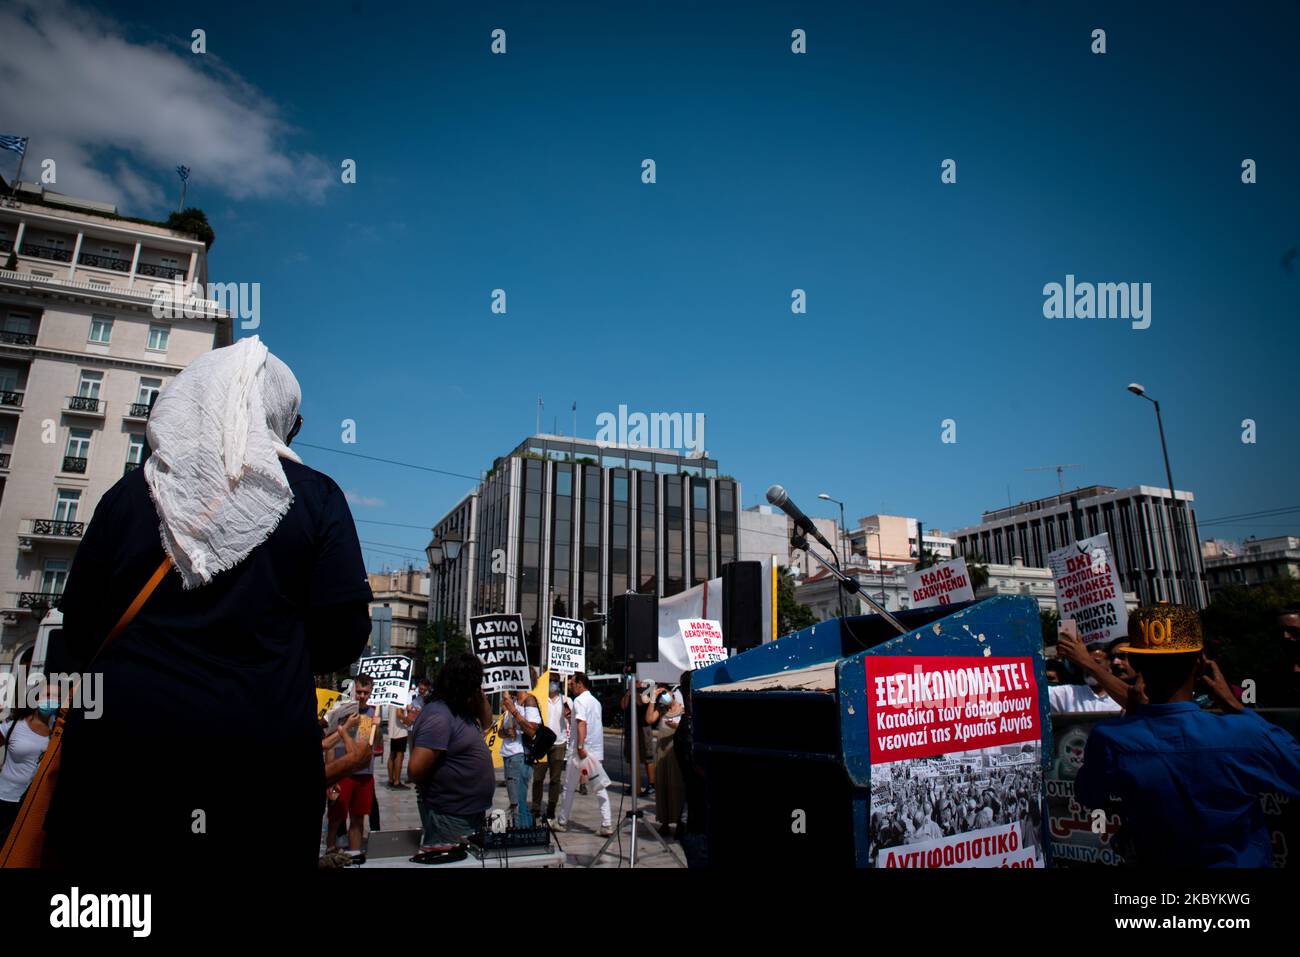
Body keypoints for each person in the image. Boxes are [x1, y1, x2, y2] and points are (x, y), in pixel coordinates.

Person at [46, 337, 372, 869]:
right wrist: (272, 652)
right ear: (278, 416)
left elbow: (79, 628)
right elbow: (342, 632)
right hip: (255, 772)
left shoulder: (126, 497)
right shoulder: (314, 498)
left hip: (116, 766)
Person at [1077, 604, 1300, 867]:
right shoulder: (1245, 732)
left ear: (1135, 662)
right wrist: (1236, 707)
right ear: (1200, 663)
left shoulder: (1110, 738)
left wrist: (1136, 716)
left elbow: (1089, 795)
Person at [408, 653, 496, 845]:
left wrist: (480, 700)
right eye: (476, 686)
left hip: (468, 811)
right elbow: (415, 770)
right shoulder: (439, 716)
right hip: (449, 815)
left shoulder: (459, 711)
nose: (479, 691)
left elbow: (488, 722)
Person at [554, 672, 612, 837]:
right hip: (595, 750)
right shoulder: (595, 702)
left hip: (581, 751)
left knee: (569, 786)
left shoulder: (579, 701)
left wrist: (580, 746)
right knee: (599, 786)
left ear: (580, 684)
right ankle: (607, 823)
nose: (571, 686)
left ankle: (562, 821)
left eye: (572, 683)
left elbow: (582, 724)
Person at [328, 675, 378, 863]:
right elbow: (330, 745)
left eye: (365, 692)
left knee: (358, 819)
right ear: (353, 691)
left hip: (364, 775)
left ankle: (354, 855)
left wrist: (377, 732)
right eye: (358, 692)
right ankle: (330, 854)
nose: (362, 696)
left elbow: (369, 747)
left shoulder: (373, 714)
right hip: (342, 773)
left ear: (371, 692)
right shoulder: (341, 712)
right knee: (336, 819)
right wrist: (330, 774)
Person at [0, 703, 55, 845]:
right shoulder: (15, 724)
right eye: (47, 694)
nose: (52, 700)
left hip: (33, 803)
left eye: (57, 696)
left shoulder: (58, 730)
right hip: (4, 797)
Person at [1049, 621, 1124, 714]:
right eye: (1084, 662)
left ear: (1110, 664)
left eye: (1096, 662)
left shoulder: (1123, 697)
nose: (1088, 667)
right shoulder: (1068, 694)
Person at [530, 676, 571, 823]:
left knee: (555, 779)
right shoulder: (540, 699)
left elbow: (572, 720)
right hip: (543, 742)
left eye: (555, 681)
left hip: (558, 743)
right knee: (538, 778)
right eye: (550, 680)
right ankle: (535, 808)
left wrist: (569, 714)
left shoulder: (565, 700)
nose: (553, 684)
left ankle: (551, 809)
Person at [500, 687, 542, 828]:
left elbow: (532, 730)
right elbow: (501, 731)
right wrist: (506, 732)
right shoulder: (512, 701)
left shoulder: (529, 701)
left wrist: (514, 711)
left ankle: (522, 835)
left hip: (519, 756)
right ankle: (526, 833)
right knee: (517, 801)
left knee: (517, 802)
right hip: (508, 755)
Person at [650, 679, 686, 838]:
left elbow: (687, 728)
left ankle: (679, 822)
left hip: (675, 751)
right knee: (663, 786)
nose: (663, 697)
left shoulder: (683, 709)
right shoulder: (661, 709)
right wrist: (652, 699)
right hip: (662, 751)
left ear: (672, 693)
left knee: (677, 786)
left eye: (664, 693)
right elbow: (649, 719)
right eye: (660, 695)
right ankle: (664, 822)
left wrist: (676, 727)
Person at [621, 676, 657, 796]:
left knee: (647, 756)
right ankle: (634, 783)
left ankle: (652, 784)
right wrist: (628, 693)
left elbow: (640, 703)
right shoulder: (629, 691)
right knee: (632, 757)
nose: (634, 682)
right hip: (631, 728)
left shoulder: (647, 690)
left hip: (643, 727)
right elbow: (623, 706)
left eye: (636, 681)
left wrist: (635, 692)